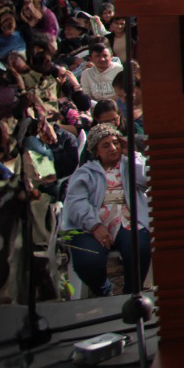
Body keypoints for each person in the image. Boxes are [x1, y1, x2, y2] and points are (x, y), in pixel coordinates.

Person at [59, 125, 150, 296]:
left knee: (140, 248)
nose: (113, 148)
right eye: (106, 145)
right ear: (96, 151)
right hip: (89, 224)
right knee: (88, 260)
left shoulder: (129, 164)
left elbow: (147, 179)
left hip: (126, 219)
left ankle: (132, 293)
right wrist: (94, 225)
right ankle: (103, 291)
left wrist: (131, 154)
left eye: (115, 143)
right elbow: (76, 202)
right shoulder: (85, 172)